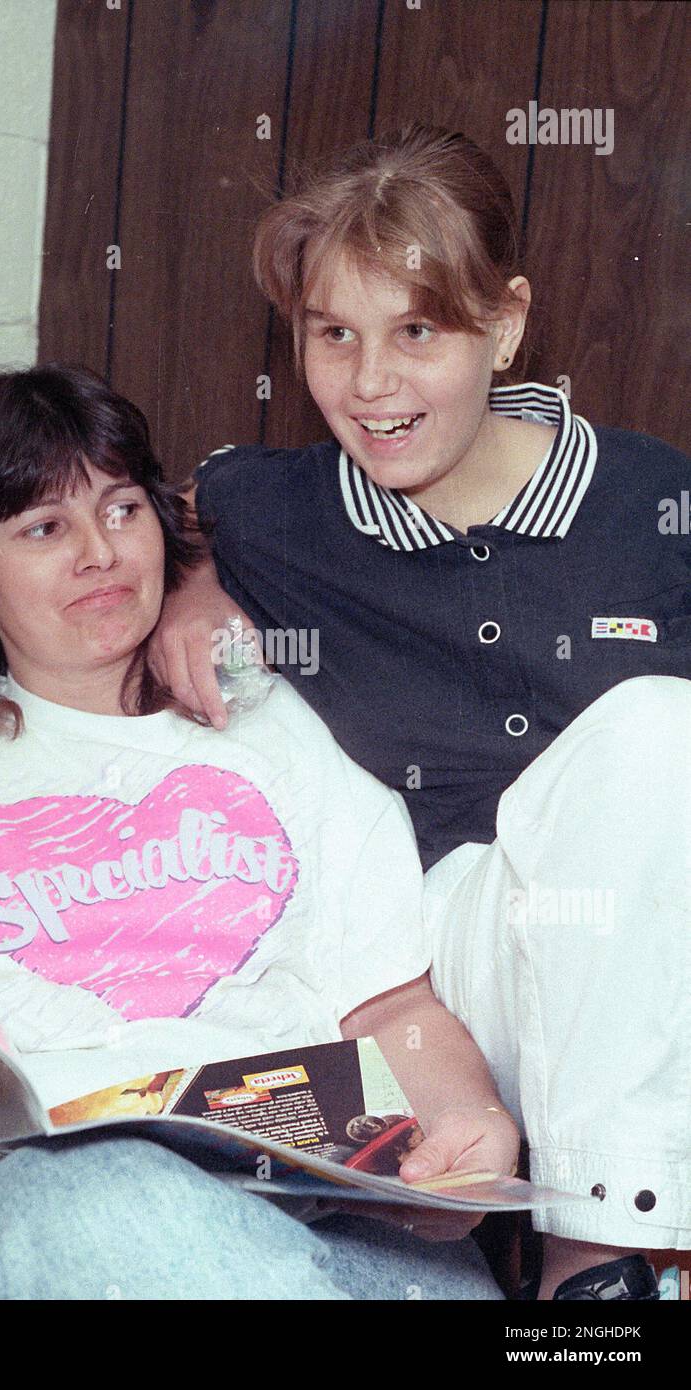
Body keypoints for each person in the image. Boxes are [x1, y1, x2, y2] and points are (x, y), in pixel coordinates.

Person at [0, 364, 521, 1301]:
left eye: (121, 511)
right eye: (45, 528)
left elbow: (389, 1006)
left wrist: (466, 1121)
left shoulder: (270, 723)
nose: (100, 554)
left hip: (315, 1224)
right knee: (113, 1201)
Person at [148, 122, 691, 1301]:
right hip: (443, 972)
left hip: (644, 953)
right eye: (331, 334)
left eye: (417, 332)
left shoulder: (655, 499)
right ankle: (598, 1267)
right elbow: (149, 520)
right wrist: (192, 589)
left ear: (503, 322)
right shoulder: (270, 507)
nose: (370, 384)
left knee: (658, 731)